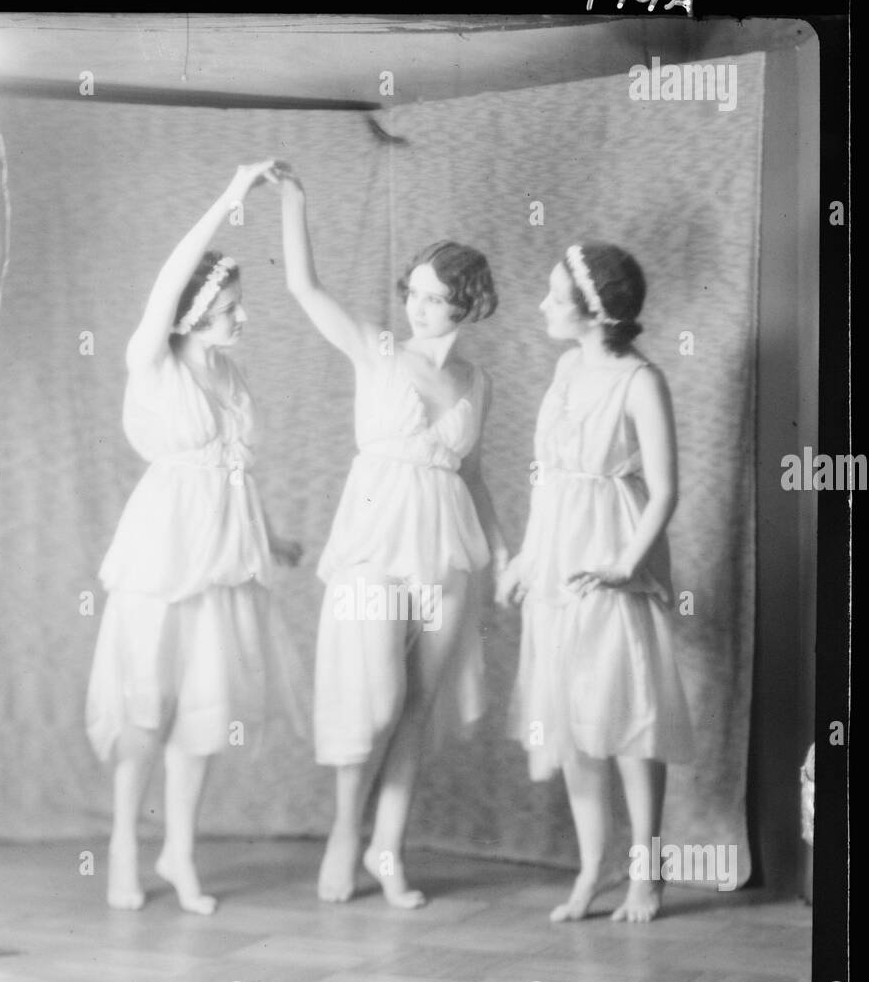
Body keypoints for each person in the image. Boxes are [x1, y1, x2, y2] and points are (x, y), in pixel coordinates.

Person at [272, 163, 508, 908]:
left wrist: (503, 551)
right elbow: (304, 289)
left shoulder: (476, 383)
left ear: (467, 305)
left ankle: (386, 850)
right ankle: (347, 830)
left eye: (436, 297)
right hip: (375, 536)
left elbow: (470, 474)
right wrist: (294, 199)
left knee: (416, 704)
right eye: (413, 291)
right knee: (373, 700)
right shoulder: (377, 350)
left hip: (448, 544)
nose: (418, 306)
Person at [86, 161, 305, 914]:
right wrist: (229, 198)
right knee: (148, 705)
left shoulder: (233, 378)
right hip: (163, 556)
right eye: (227, 310)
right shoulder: (151, 365)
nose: (241, 318)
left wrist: (271, 541)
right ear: (186, 316)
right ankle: (123, 845)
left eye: (240, 307)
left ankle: (179, 850)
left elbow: (235, 472)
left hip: (228, 560)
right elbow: (167, 281)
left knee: (205, 710)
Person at [498, 242, 694, 923]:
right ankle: (591, 869)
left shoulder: (640, 381)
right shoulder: (562, 366)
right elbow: (545, 475)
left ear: (594, 311)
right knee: (569, 721)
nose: (543, 306)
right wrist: (525, 556)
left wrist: (625, 563)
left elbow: (665, 489)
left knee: (627, 717)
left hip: (610, 553)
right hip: (556, 552)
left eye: (555, 296)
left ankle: (645, 870)